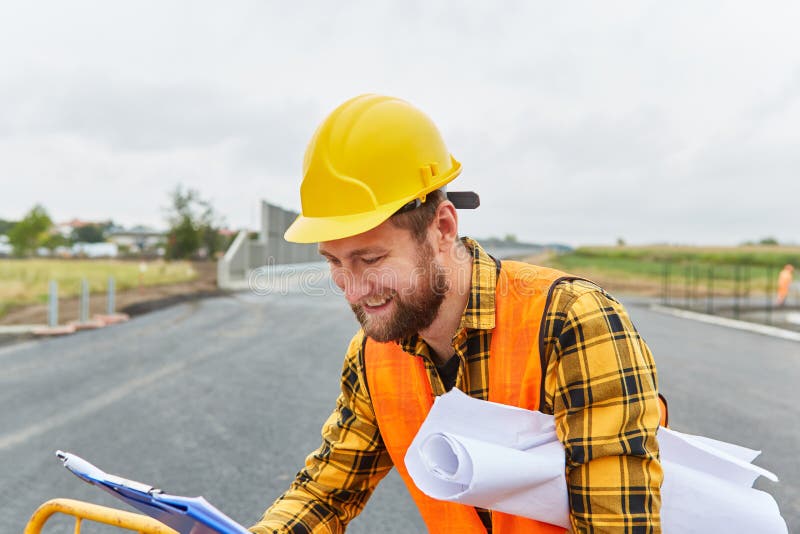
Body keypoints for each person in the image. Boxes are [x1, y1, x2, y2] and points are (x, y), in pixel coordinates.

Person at [250, 94, 663, 533]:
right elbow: (323, 497)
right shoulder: (373, 355)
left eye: (370, 260)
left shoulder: (572, 323)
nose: (352, 289)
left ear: (443, 228)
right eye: (335, 262)